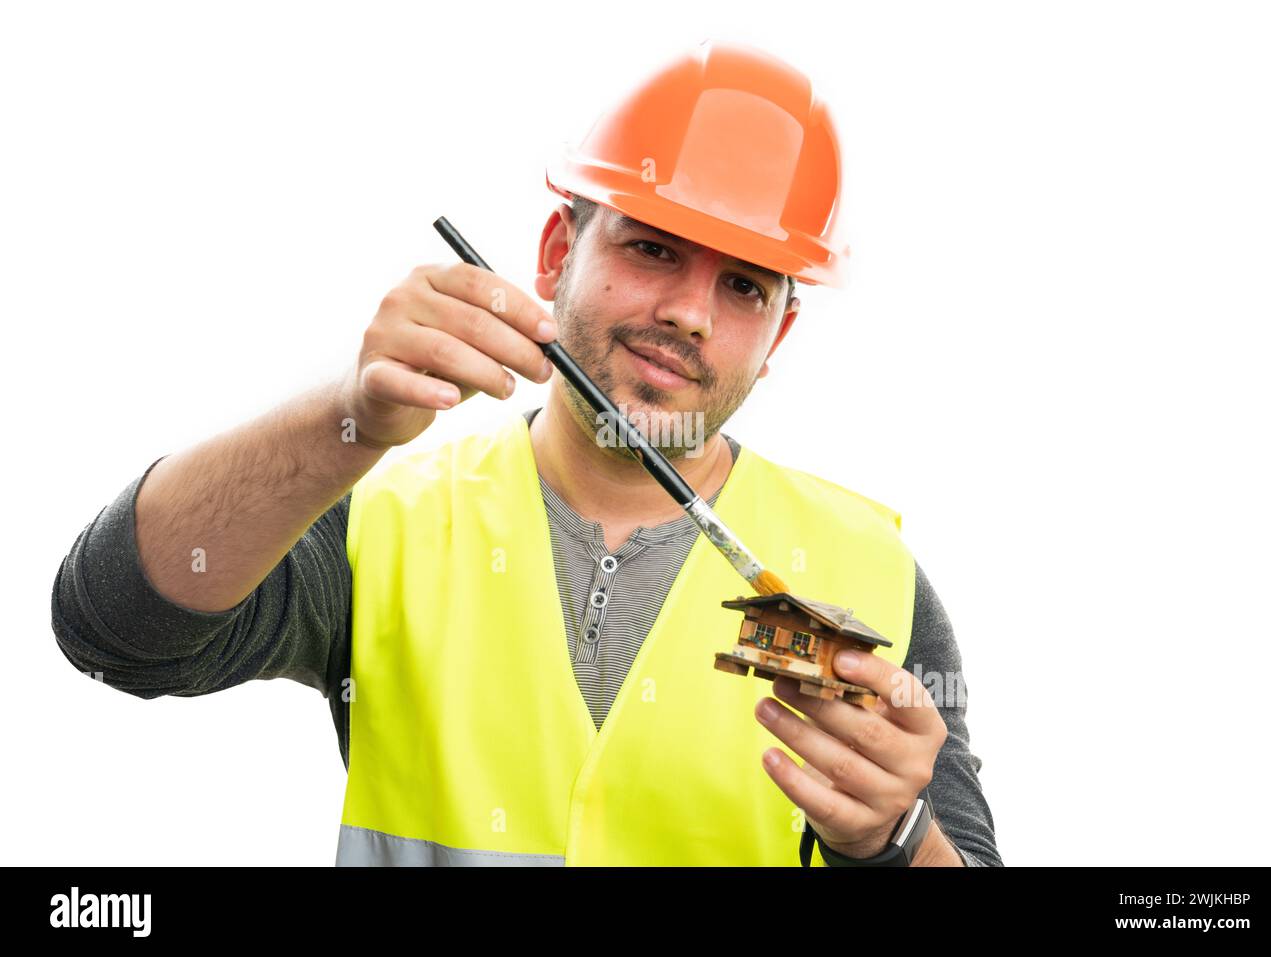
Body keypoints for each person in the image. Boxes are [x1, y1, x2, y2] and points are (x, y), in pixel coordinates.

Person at [51, 39, 1001, 867]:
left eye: (745, 286)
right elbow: (112, 628)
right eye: (655, 250)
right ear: (555, 253)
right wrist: (345, 419)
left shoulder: (872, 578)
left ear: (777, 337)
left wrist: (894, 839)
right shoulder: (385, 519)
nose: (687, 313)